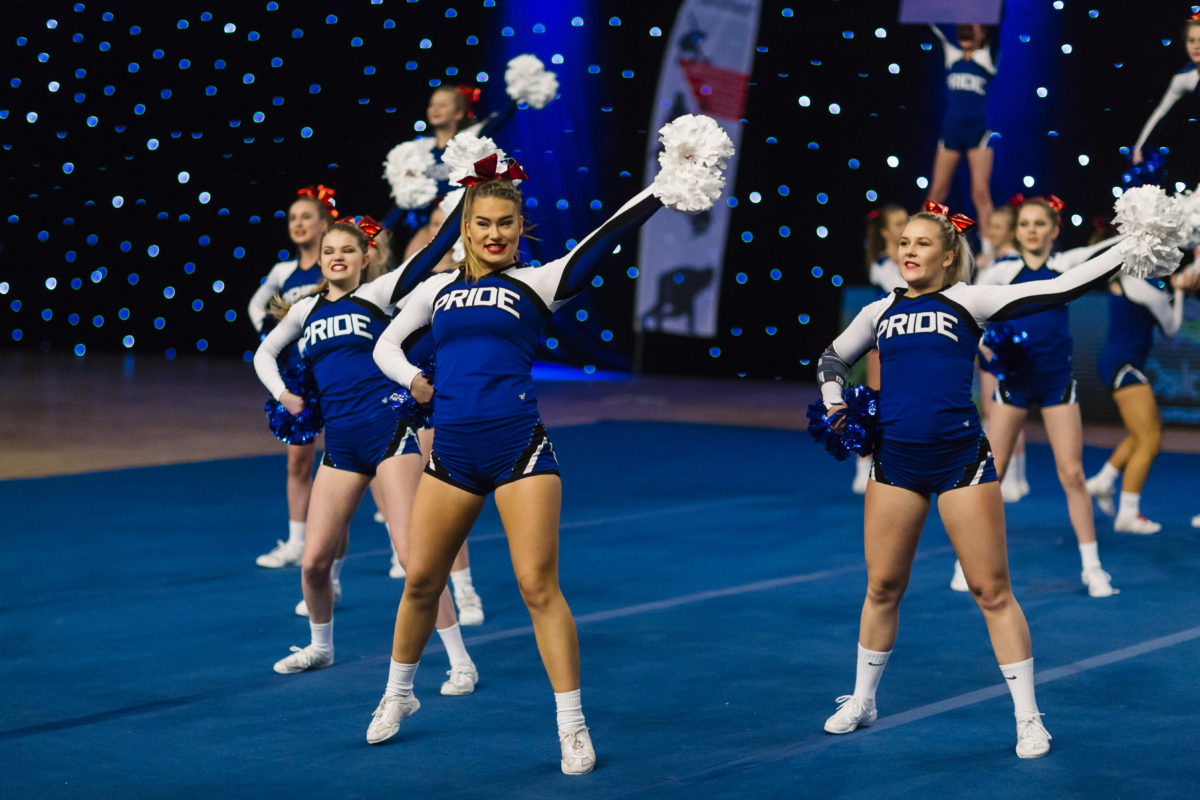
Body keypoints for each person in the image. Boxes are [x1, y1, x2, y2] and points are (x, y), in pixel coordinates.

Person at [366, 119, 729, 773]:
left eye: (507, 223)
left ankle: (571, 724)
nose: (495, 234)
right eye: (484, 224)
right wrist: (414, 378)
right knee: (421, 581)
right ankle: (397, 696)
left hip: (519, 452)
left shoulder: (538, 282)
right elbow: (384, 344)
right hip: (449, 456)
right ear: (467, 227)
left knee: (538, 586)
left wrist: (662, 188)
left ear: (519, 227)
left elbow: (606, 237)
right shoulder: (434, 289)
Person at [816, 202, 1132, 758]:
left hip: (961, 462)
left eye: (921, 243)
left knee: (992, 591)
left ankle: (1029, 718)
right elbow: (832, 357)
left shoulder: (969, 299)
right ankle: (863, 699)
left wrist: (1127, 249)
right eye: (903, 243)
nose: (908, 251)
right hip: (896, 466)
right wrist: (835, 404)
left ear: (945, 255)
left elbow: (1057, 290)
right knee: (882, 586)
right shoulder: (878, 311)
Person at [253, 210, 480, 696]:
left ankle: (460, 661)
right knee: (314, 563)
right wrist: (284, 395)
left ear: (366, 257)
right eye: (329, 251)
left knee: (414, 560)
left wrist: (465, 201)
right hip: (341, 447)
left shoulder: (376, 295)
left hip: (389, 437)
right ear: (320, 259)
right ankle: (320, 646)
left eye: (347, 251)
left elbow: (431, 252)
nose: (337, 257)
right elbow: (264, 353)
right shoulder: (303, 311)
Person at [963, 196, 1122, 598]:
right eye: (1025, 224)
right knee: (988, 476)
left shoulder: (1067, 265)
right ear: (1016, 232)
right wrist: (986, 349)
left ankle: (1093, 567)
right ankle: (967, 563)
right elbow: (969, 312)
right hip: (1013, 383)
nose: (1032, 230)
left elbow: (1107, 250)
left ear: (1054, 229)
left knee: (1072, 473)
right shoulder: (1001, 270)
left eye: (1040, 223)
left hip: (1056, 384)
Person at [247, 185, 334, 569]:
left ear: (324, 223)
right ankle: (297, 542)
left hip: (337, 372)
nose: (298, 224)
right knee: (298, 462)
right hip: (300, 378)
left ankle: (400, 550)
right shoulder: (284, 271)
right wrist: (277, 332)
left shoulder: (336, 261)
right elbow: (257, 305)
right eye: (293, 218)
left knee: (362, 457)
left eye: (306, 217)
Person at [1086, 263, 1200, 531]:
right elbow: (1172, 328)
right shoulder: (1142, 287)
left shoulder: (1138, 283)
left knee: (1144, 432)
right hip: (1123, 365)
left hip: (1122, 363)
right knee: (1150, 440)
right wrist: (1181, 289)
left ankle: (1104, 479)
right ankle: (1128, 513)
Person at [852, 204, 909, 493]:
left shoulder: (910, 261)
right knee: (874, 404)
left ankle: (898, 462)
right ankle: (864, 464)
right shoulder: (882, 265)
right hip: (882, 341)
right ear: (886, 232)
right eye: (899, 223)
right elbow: (903, 289)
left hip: (910, 342)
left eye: (907, 221)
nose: (906, 225)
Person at [926, 23, 999, 230]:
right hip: (951, 132)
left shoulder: (987, 58)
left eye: (971, 28)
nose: (965, 31)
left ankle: (989, 250)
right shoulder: (952, 55)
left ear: (983, 33)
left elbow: (998, 21)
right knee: (937, 191)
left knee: (980, 192)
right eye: (962, 28)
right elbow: (932, 25)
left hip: (977, 133)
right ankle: (922, 238)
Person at [1130, 15, 1200, 167]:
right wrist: (1139, 147)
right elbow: (1160, 113)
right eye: (1191, 40)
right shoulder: (1184, 78)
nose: (1196, 46)